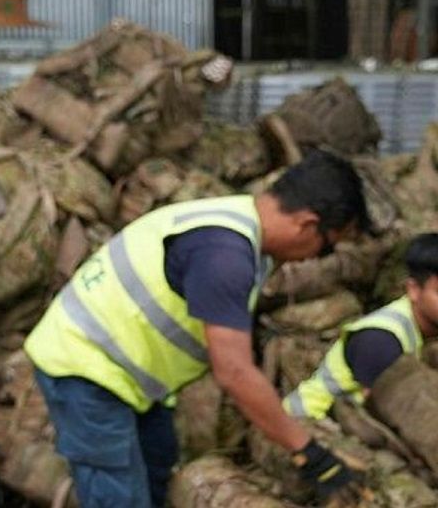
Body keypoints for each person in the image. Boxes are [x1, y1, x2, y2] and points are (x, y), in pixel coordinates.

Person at [24, 149, 371, 508]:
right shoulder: (225, 255)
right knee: (119, 494)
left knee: (158, 466)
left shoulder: (235, 221)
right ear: (307, 225)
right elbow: (233, 371)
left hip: (130, 377)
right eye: (326, 247)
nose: (316, 259)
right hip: (85, 367)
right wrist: (308, 451)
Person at [285, 232, 438, 420]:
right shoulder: (381, 339)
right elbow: (403, 418)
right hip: (304, 426)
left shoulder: (420, 328)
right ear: (413, 290)